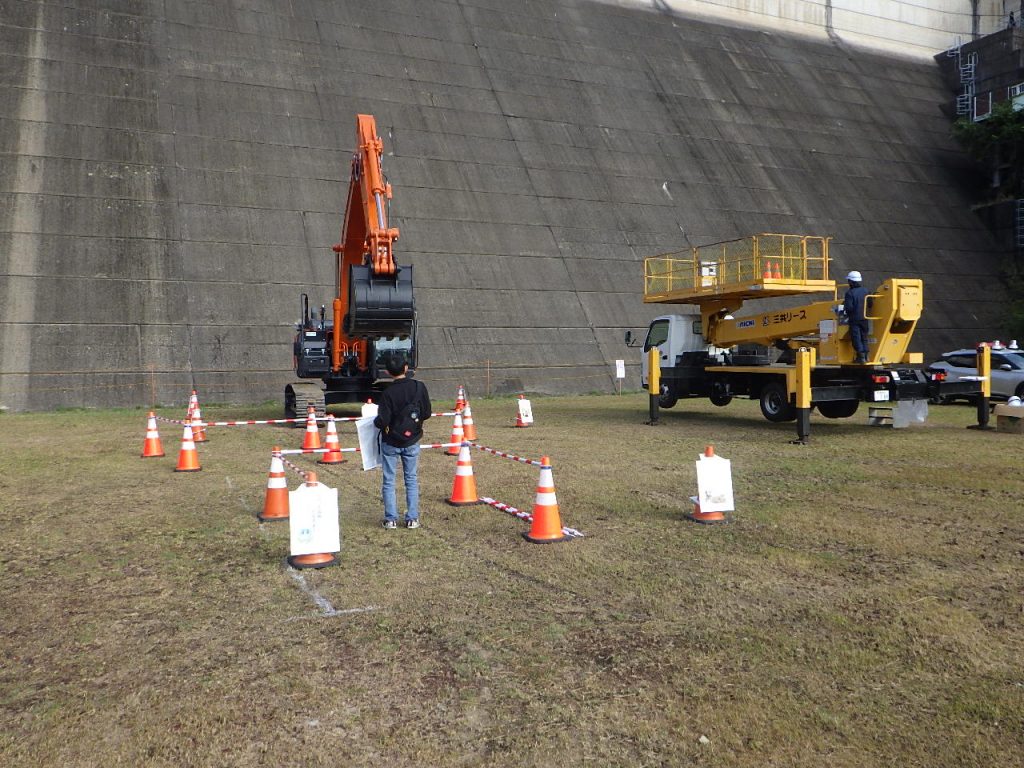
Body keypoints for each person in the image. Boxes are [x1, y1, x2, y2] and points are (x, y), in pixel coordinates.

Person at [373, 353, 431, 529]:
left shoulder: (387, 393)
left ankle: (391, 519)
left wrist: (375, 422)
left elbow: (382, 421)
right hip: (412, 440)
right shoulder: (419, 387)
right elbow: (427, 413)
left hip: (390, 441)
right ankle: (412, 518)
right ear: (406, 368)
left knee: (389, 479)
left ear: (388, 372)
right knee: (411, 479)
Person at [843, 270, 870, 364]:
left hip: (854, 319)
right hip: (865, 318)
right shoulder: (866, 291)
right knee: (864, 337)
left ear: (851, 281)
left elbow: (849, 308)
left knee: (856, 338)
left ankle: (861, 357)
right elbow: (870, 304)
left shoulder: (850, 293)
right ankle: (866, 356)